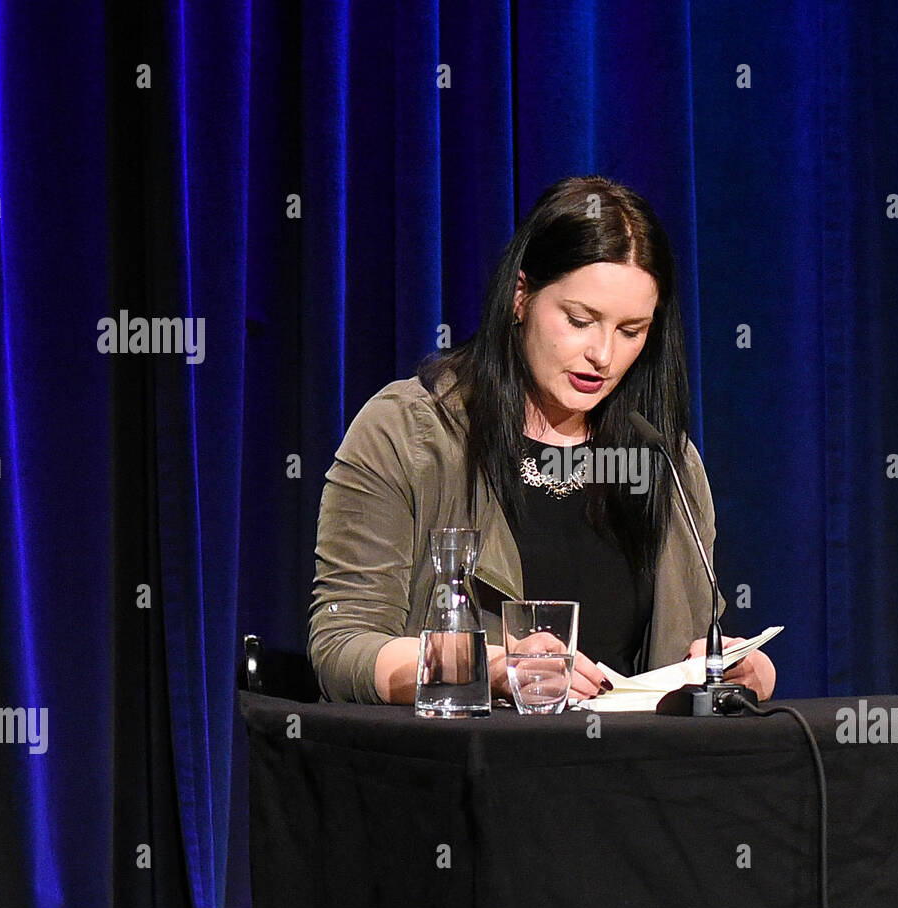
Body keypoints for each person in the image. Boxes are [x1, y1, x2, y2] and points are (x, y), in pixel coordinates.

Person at [308, 175, 775, 705]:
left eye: (631, 331)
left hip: (633, 756)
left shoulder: (666, 461)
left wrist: (742, 670)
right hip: (473, 754)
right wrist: (487, 668)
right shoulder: (409, 433)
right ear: (521, 296)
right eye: (580, 320)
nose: (603, 354)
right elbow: (340, 646)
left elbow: (698, 643)